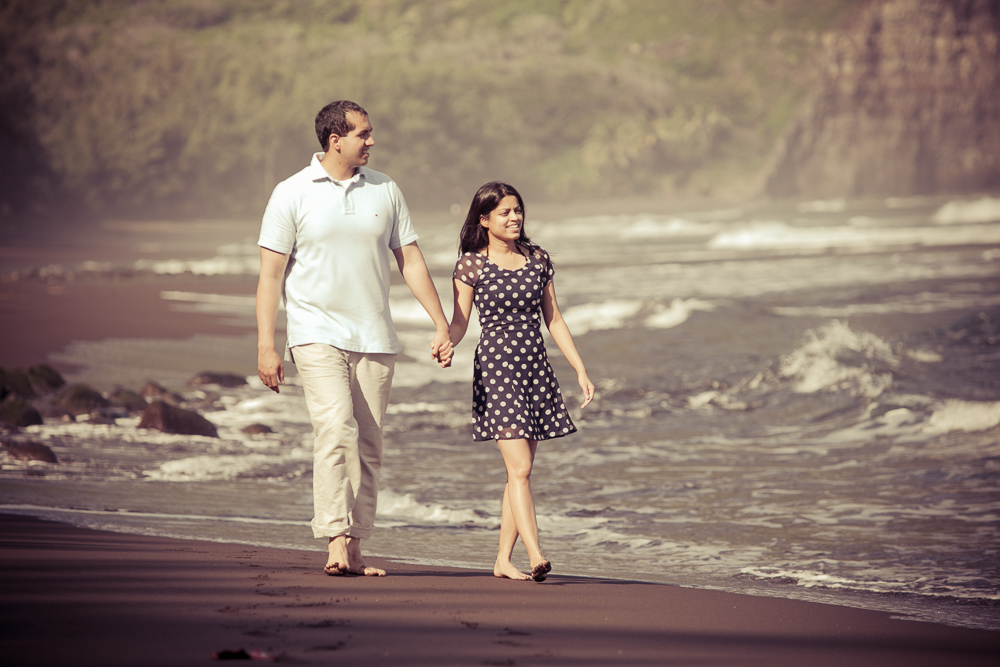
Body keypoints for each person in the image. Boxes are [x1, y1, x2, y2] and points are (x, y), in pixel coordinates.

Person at [256, 100, 453, 577]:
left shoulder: (385, 189)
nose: (371, 141)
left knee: (368, 444)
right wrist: (267, 344)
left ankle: (358, 542)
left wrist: (440, 323)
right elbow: (270, 275)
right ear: (334, 140)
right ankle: (335, 539)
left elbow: (410, 259)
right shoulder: (291, 192)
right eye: (363, 134)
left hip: (375, 336)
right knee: (336, 430)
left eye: (370, 133)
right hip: (314, 333)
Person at [446, 181, 595, 581]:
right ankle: (535, 553)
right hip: (497, 371)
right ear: (484, 219)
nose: (514, 218)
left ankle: (501, 561)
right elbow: (460, 321)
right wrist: (446, 341)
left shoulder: (538, 258)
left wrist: (579, 368)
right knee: (522, 467)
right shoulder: (471, 265)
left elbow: (555, 319)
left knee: (518, 474)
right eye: (504, 212)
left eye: (517, 210)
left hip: (535, 369)